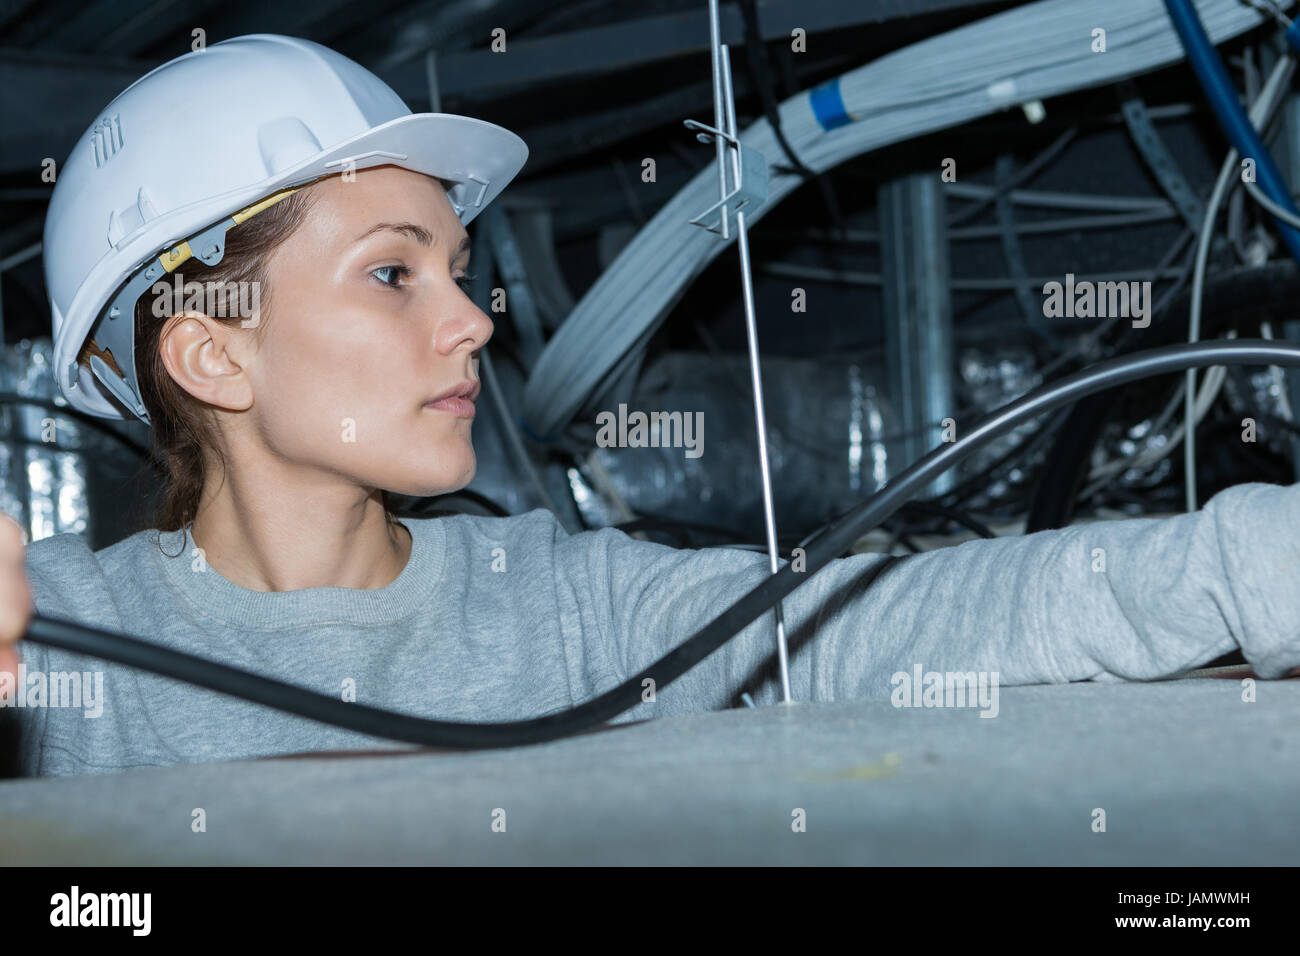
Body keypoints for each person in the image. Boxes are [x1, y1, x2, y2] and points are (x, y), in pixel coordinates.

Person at [2, 35, 1298, 779]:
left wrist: (1248, 564)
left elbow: (883, 622)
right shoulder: (55, 651)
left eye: (459, 271)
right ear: (214, 356)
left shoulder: (568, 608)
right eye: (393, 272)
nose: (471, 320)